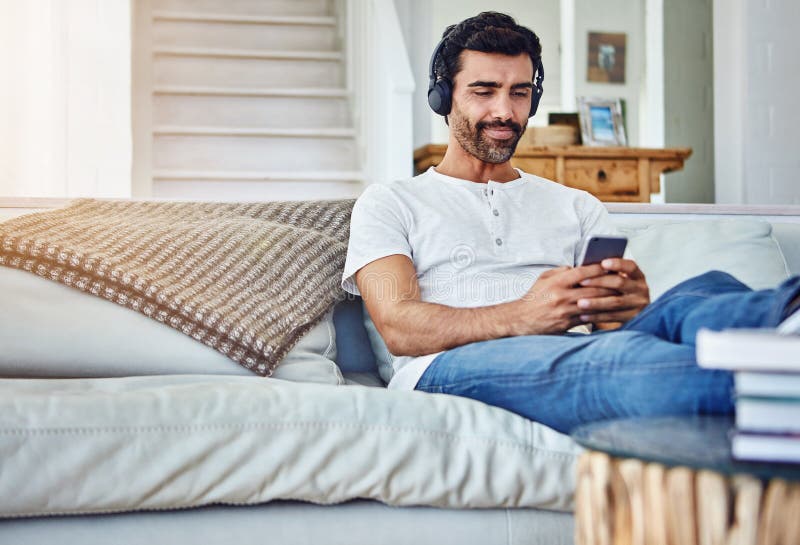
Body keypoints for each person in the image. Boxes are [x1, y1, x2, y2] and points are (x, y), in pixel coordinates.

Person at [341, 12, 800, 434]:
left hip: (583, 348)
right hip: (446, 366)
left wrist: (627, 309)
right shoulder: (390, 202)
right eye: (483, 92)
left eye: (519, 93)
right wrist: (524, 315)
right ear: (443, 98)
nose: (504, 112)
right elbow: (399, 326)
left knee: (706, 292)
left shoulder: (576, 206)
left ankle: (787, 327)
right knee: (628, 359)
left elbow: (611, 329)